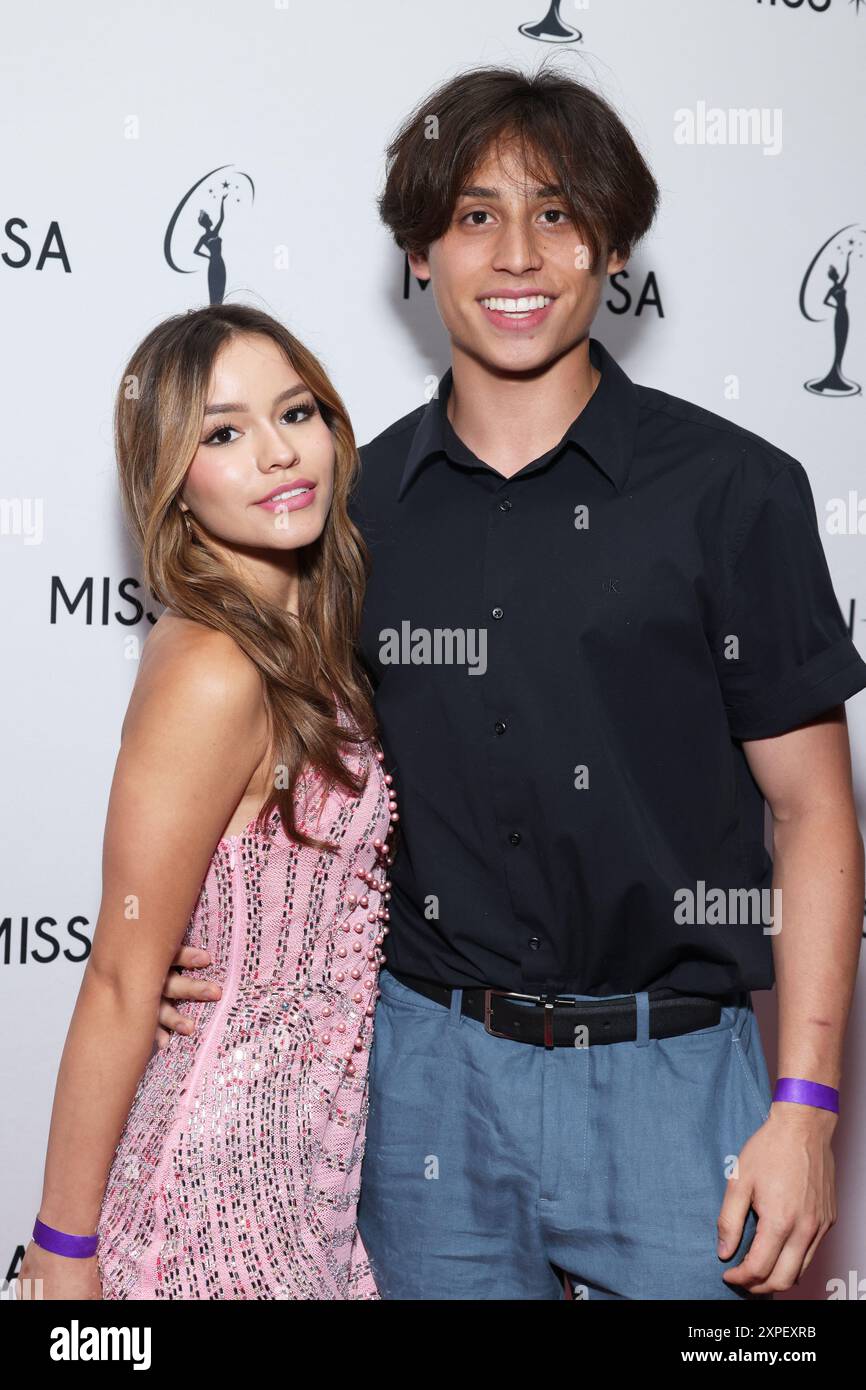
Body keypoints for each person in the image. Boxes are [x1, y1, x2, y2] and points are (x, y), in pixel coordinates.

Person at [156, 66, 866, 1300]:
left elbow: (811, 812)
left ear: (611, 244)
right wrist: (184, 943)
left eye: (557, 211)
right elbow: (257, 768)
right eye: (475, 214)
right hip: (426, 1076)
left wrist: (803, 1107)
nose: (518, 253)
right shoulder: (345, 513)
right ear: (419, 253)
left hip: (678, 1077)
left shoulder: (734, 491)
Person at [21, 304, 392, 1299]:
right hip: (213, 1185)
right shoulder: (213, 669)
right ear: (173, 483)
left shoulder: (306, 647)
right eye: (223, 433)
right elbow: (117, 976)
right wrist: (61, 1251)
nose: (277, 452)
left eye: (296, 412)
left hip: (305, 1169)